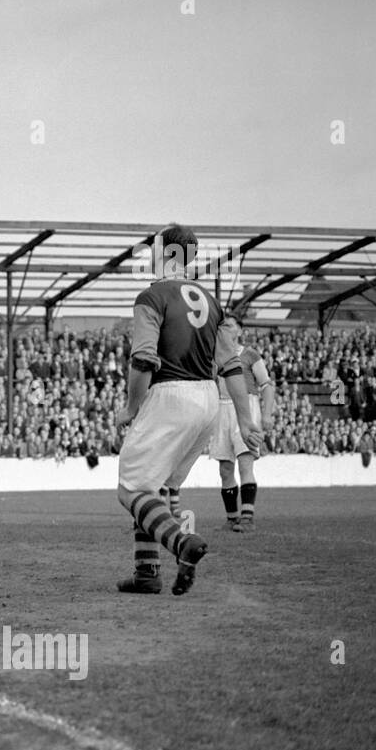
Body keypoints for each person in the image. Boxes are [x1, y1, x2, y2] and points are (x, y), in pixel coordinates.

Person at [115, 224, 262, 596]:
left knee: (131, 488)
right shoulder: (211, 302)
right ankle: (146, 573)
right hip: (208, 400)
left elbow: (144, 358)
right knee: (156, 484)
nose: (148, 254)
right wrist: (246, 422)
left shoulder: (152, 296)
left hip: (171, 395)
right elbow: (231, 365)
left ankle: (182, 544)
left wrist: (131, 407)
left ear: (166, 252)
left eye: (153, 248)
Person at [209, 313, 275, 531]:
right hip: (221, 408)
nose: (226, 329)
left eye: (230, 326)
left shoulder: (250, 354)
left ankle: (247, 517)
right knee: (225, 468)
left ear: (239, 331)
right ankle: (232, 518)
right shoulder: (215, 355)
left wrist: (266, 415)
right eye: (223, 326)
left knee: (245, 461)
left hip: (245, 407)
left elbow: (266, 384)